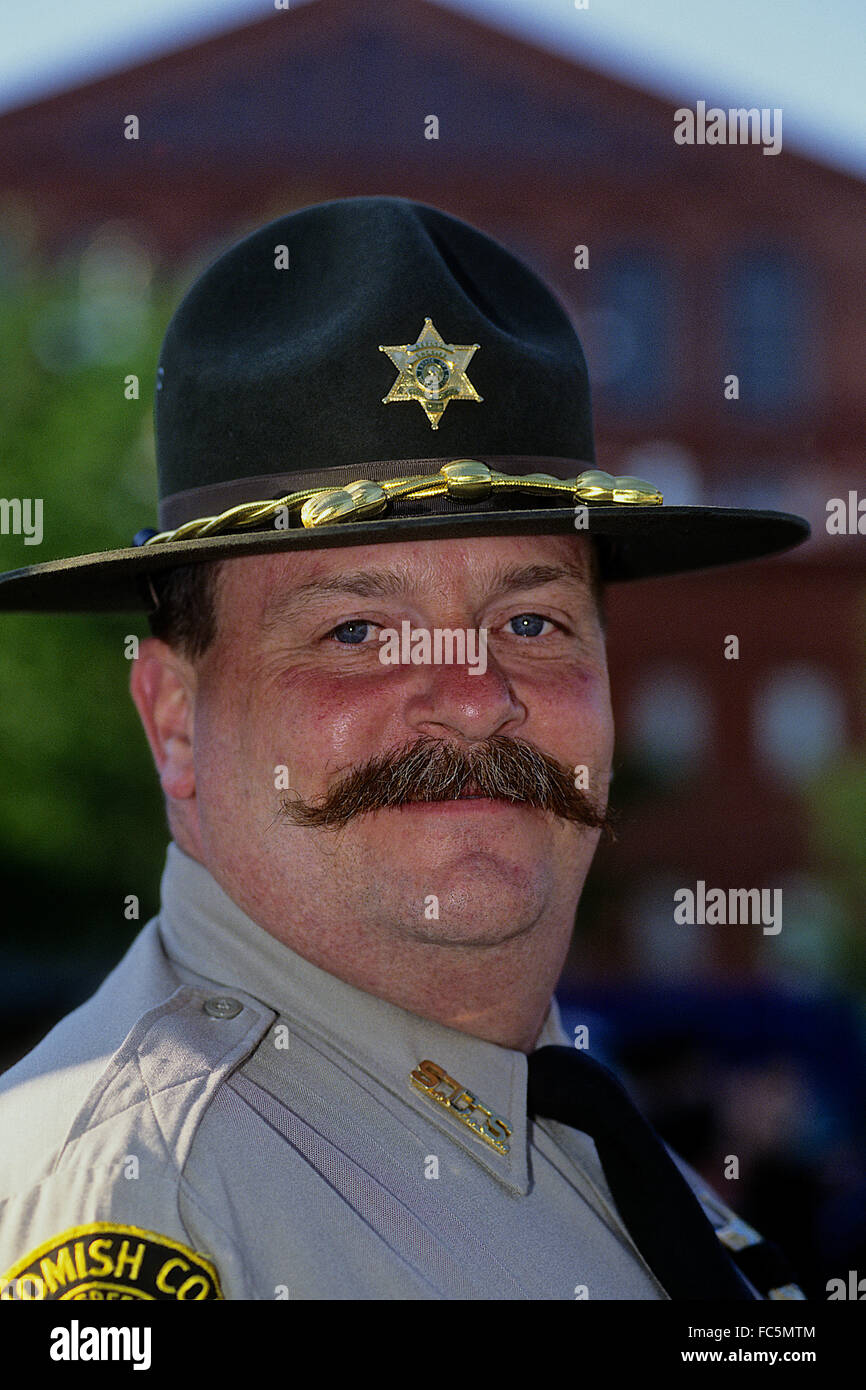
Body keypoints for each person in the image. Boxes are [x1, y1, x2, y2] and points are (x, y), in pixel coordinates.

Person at [0, 196, 808, 1301]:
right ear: (176, 722)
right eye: (356, 632)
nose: (475, 701)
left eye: (531, 622)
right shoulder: (140, 1201)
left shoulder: (571, 1125)